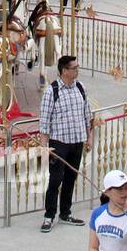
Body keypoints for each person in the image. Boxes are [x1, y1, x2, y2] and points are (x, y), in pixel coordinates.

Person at [39, 54, 93, 232]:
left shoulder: (80, 87)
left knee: (71, 178)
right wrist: (44, 147)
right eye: (74, 68)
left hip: (77, 141)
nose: (77, 70)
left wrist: (89, 137)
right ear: (64, 71)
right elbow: (44, 123)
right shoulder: (52, 91)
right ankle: (49, 215)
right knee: (55, 180)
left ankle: (65, 212)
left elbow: (87, 115)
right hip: (59, 143)